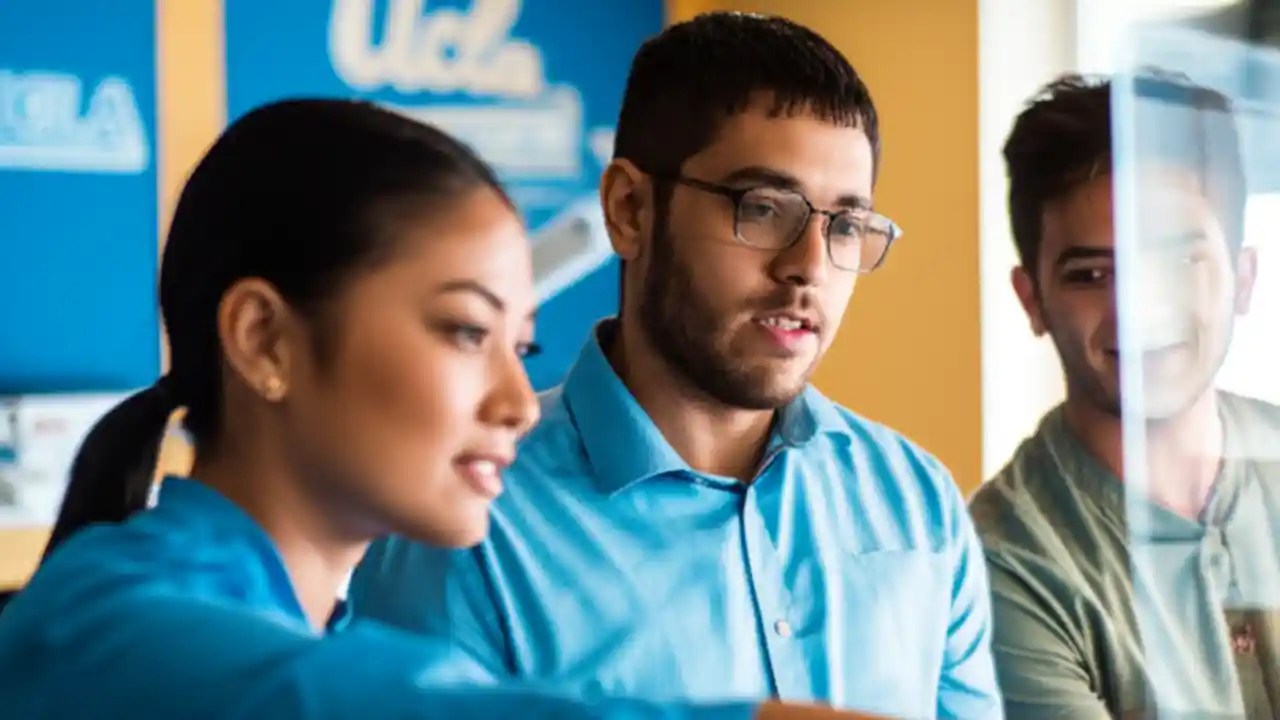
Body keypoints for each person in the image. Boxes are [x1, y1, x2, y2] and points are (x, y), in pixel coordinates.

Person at [0, 97, 884, 720]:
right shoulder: (106, 624)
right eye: (465, 332)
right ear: (265, 340)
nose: (515, 403)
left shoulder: (305, 621)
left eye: (522, 347)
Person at [349, 12, 1001, 720]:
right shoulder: (466, 525)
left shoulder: (915, 500)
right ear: (629, 209)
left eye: (845, 226)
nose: (808, 267)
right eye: (763, 208)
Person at [971, 73, 1280, 718]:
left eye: (1178, 261)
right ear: (1033, 301)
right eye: (1092, 274)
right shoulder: (1004, 561)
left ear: (1243, 279)